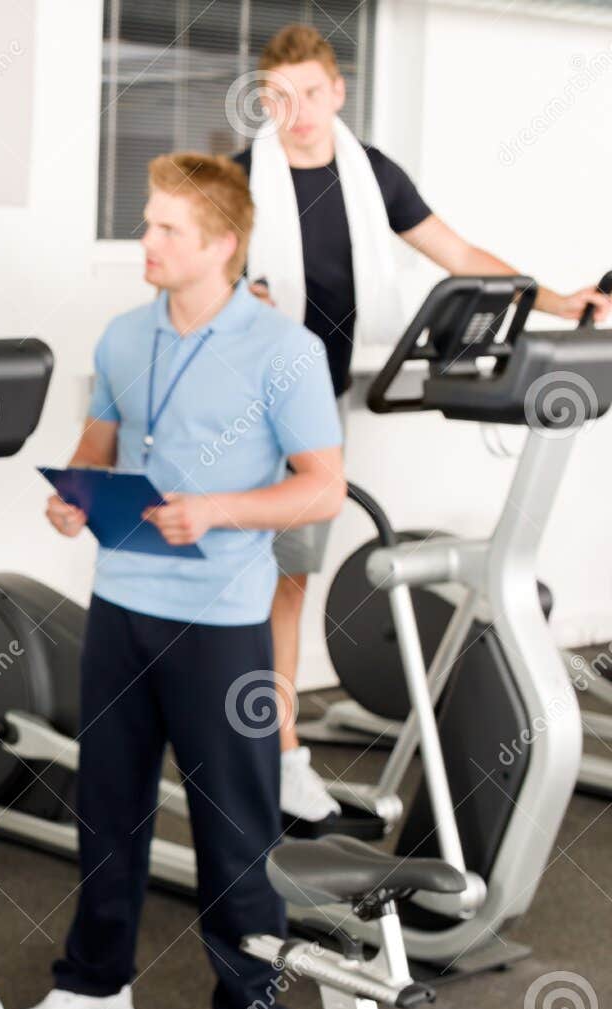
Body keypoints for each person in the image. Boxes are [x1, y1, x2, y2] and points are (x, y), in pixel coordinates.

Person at [7, 154, 344, 1009]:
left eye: (165, 229)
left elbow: (323, 489)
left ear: (223, 245)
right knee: (107, 808)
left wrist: (221, 509)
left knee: (235, 821)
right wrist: (73, 495)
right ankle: (94, 983)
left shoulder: (286, 351)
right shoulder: (123, 335)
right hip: (120, 603)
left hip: (222, 615)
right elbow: (99, 438)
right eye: (145, 222)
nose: (144, 242)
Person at [233, 23, 612, 821]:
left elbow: (461, 255)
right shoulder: (239, 182)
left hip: (323, 404)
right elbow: (190, 282)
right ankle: (274, 752)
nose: (297, 113)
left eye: (311, 94)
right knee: (267, 587)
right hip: (249, 404)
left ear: (339, 93)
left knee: (284, 583)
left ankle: (270, 747)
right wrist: (240, 298)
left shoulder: (372, 174)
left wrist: (561, 300)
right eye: (279, 98)